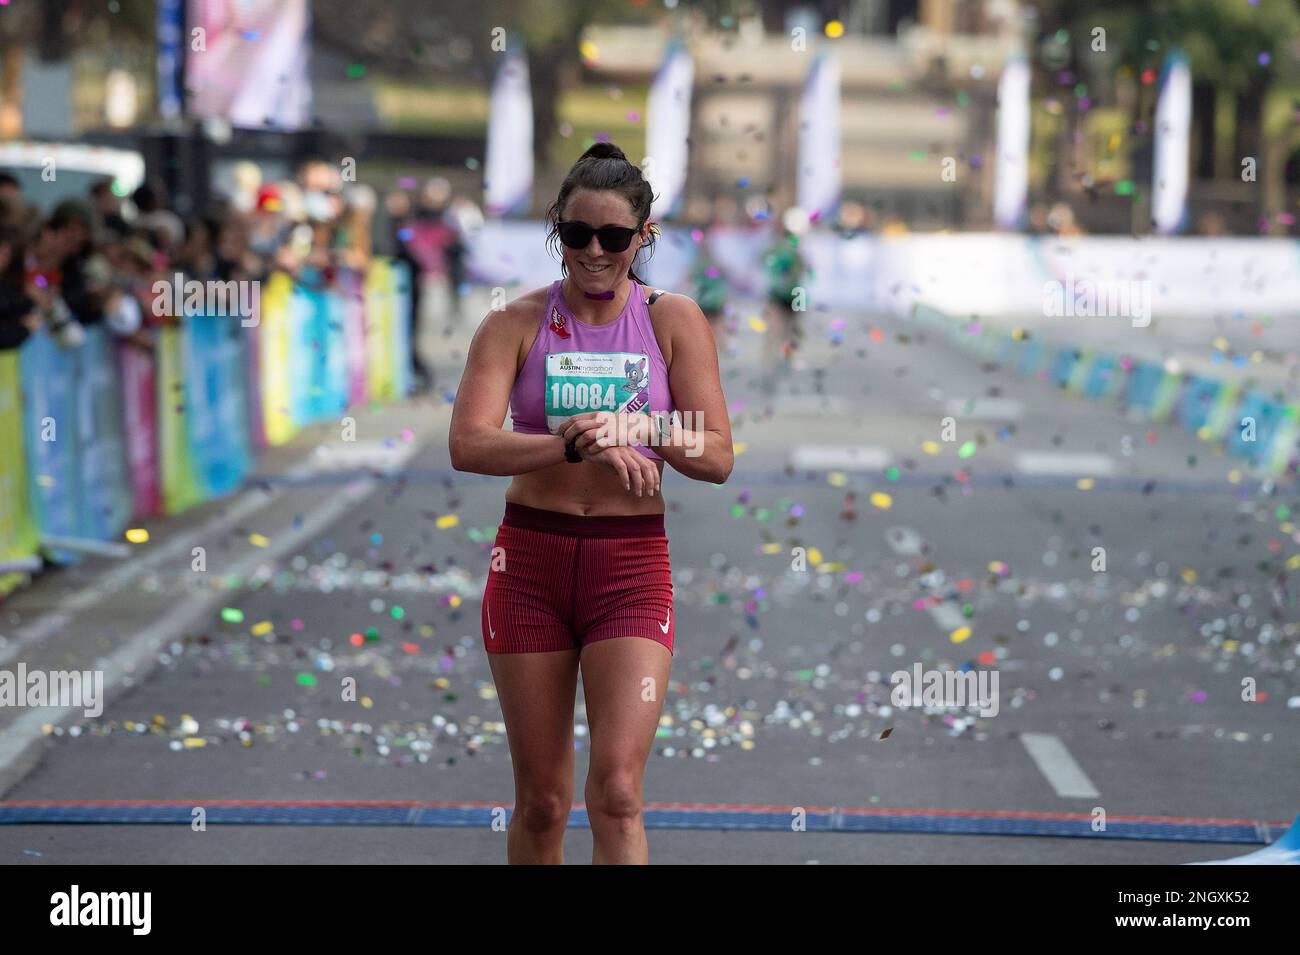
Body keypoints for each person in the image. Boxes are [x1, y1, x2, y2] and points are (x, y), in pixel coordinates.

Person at [448, 142, 733, 865]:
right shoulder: (513, 323)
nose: (595, 251)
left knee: (617, 792)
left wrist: (641, 426)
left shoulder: (675, 321)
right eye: (577, 235)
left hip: (629, 569)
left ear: (644, 237)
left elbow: (718, 455)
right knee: (542, 803)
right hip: (531, 567)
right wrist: (570, 442)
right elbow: (469, 444)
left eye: (614, 237)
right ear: (556, 231)